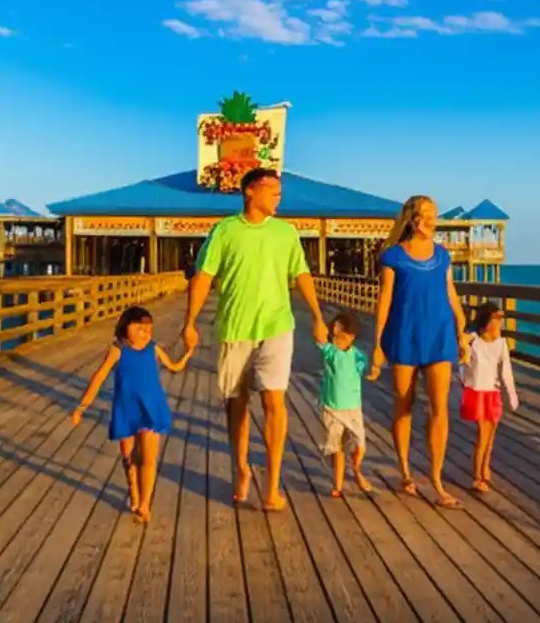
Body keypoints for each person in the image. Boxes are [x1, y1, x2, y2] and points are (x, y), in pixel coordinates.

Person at [181, 167, 329, 511]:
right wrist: (189, 322)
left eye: (280, 192)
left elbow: (301, 273)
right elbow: (204, 277)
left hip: (277, 326)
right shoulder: (224, 231)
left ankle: (272, 483)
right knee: (237, 403)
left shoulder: (286, 233)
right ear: (250, 192)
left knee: (274, 401)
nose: (279, 197)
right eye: (273, 191)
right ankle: (241, 468)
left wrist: (318, 316)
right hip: (234, 328)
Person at [368, 195, 469, 508]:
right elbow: (384, 300)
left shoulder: (442, 255)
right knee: (404, 403)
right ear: (412, 220)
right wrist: (377, 345)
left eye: (434, 215)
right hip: (405, 334)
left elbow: (450, 291)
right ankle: (405, 470)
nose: (431, 221)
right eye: (426, 215)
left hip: (439, 335)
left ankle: (436, 478)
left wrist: (461, 326)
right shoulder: (394, 257)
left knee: (440, 408)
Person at [72, 306, 191, 523]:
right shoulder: (118, 350)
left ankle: (145, 504)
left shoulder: (153, 349)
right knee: (129, 457)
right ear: (125, 326)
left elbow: (174, 366)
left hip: (151, 409)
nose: (145, 333)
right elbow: (99, 377)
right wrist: (82, 407)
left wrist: (189, 351)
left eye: (149, 328)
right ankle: (134, 489)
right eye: (139, 328)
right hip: (126, 409)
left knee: (147, 458)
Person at [459, 302, 519, 493]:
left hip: (492, 392)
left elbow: (506, 371)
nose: (500, 323)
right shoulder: (473, 341)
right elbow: (463, 365)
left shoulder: (501, 344)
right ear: (487, 320)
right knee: (483, 434)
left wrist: (511, 395)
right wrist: (466, 380)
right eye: (496, 319)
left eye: (501, 319)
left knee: (491, 435)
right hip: (477, 391)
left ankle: (485, 466)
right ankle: (477, 475)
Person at [317, 311, 373, 498]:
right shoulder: (330, 351)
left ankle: (357, 470)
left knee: (359, 444)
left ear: (352, 337)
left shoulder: (358, 356)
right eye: (336, 336)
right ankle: (338, 484)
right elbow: (318, 335)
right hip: (332, 408)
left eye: (343, 336)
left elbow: (365, 367)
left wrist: (374, 369)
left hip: (353, 408)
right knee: (337, 447)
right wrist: (317, 316)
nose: (339, 340)